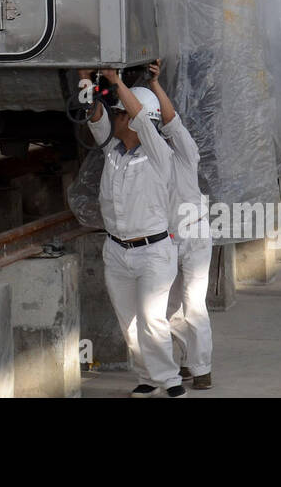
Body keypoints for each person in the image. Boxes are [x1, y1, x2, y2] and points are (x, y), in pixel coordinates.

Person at [81, 66, 185, 398]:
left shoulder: (158, 152)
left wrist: (117, 81)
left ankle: (170, 380)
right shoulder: (113, 149)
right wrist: (87, 78)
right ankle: (147, 376)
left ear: (132, 119)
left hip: (153, 251)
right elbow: (95, 117)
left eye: (118, 114)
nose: (114, 119)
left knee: (152, 320)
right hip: (117, 250)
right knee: (129, 323)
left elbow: (140, 117)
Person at [148, 61, 213, 390]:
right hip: (168, 237)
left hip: (196, 233)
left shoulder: (184, 151)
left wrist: (155, 85)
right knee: (169, 307)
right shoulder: (146, 161)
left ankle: (202, 369)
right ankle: (188, 359)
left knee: (193, 303)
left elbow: (172, 121)